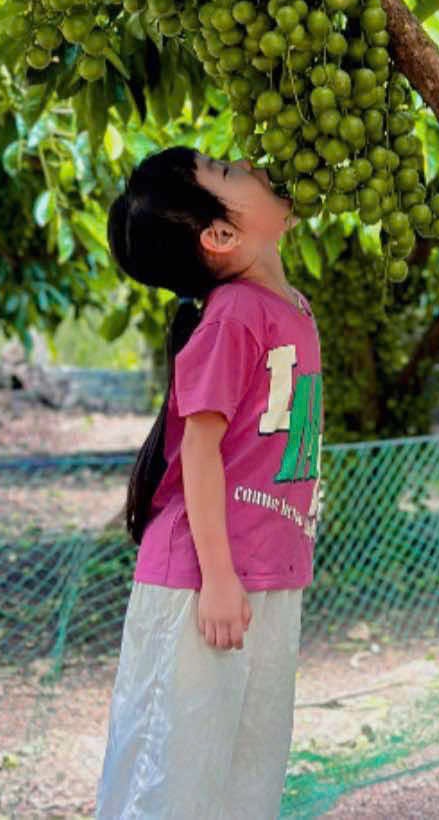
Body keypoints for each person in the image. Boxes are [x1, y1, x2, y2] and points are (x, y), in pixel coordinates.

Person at [95, 147, 325, 820]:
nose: (253, 162)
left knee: (250, 771)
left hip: (268, 575)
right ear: (220, 237)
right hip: (204, 583)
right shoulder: (232, 316)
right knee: (176, 781)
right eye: (227, 172)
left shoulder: (291, 307)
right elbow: (198, 449)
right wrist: (218, 579)